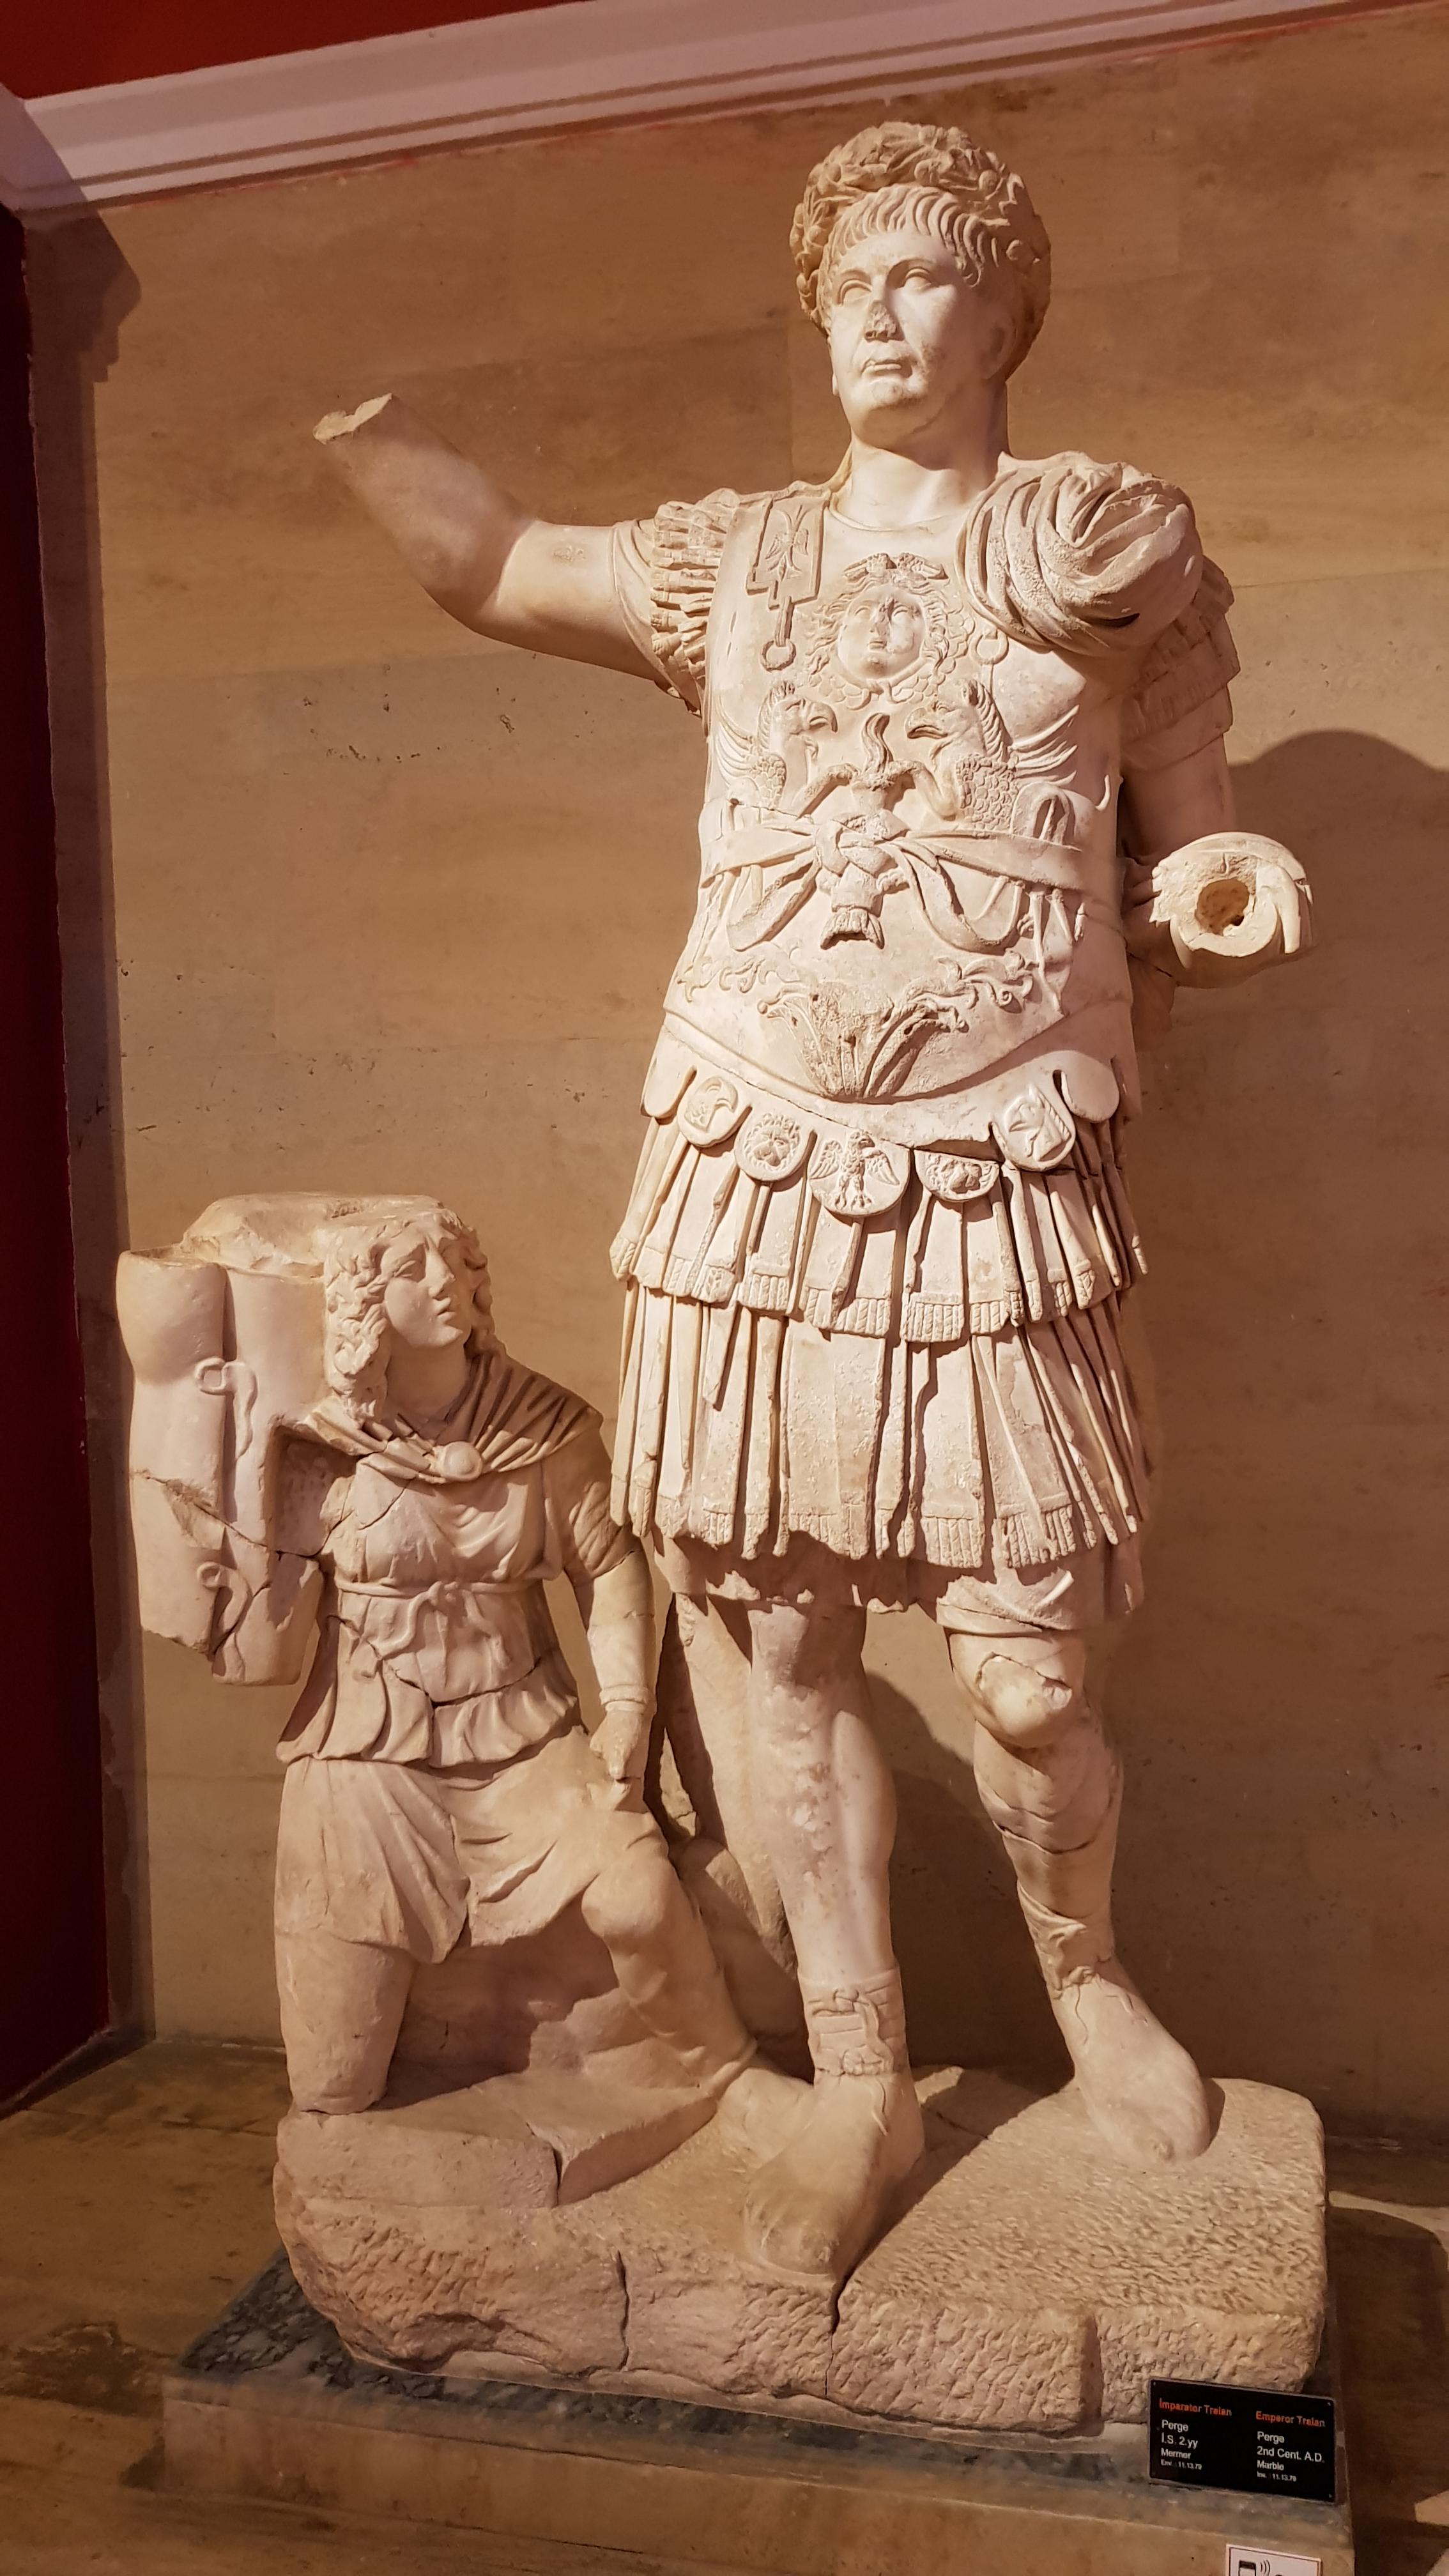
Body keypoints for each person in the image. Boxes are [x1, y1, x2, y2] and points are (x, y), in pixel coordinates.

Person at [315, 121, 1309, 2284]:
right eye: (845, 278)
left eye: (920, 272)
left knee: (1028, 1674)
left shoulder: (1098, 543)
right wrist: (363, 431)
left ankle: (1083, 1982)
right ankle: (859, 2077)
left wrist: (1216, 882)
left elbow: (1185, 834)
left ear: (1002, 310)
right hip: (749, 1141)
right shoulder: (734, 560)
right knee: (779, 1643)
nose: (876, 310)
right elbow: (494, 564)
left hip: (997, 1147)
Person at [267, 1199, 792, 2135]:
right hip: (364, 1753)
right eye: (413, 1269)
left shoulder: (541, 1427)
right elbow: (254, 1638)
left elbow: (609, 1563)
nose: (448, 1283)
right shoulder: (320, 1449)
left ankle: (733, 2077)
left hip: (522, 1734)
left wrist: (626, 1709)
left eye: (458, 1262)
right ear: (364, 1303)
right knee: (333, 2083)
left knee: (639, 1898)